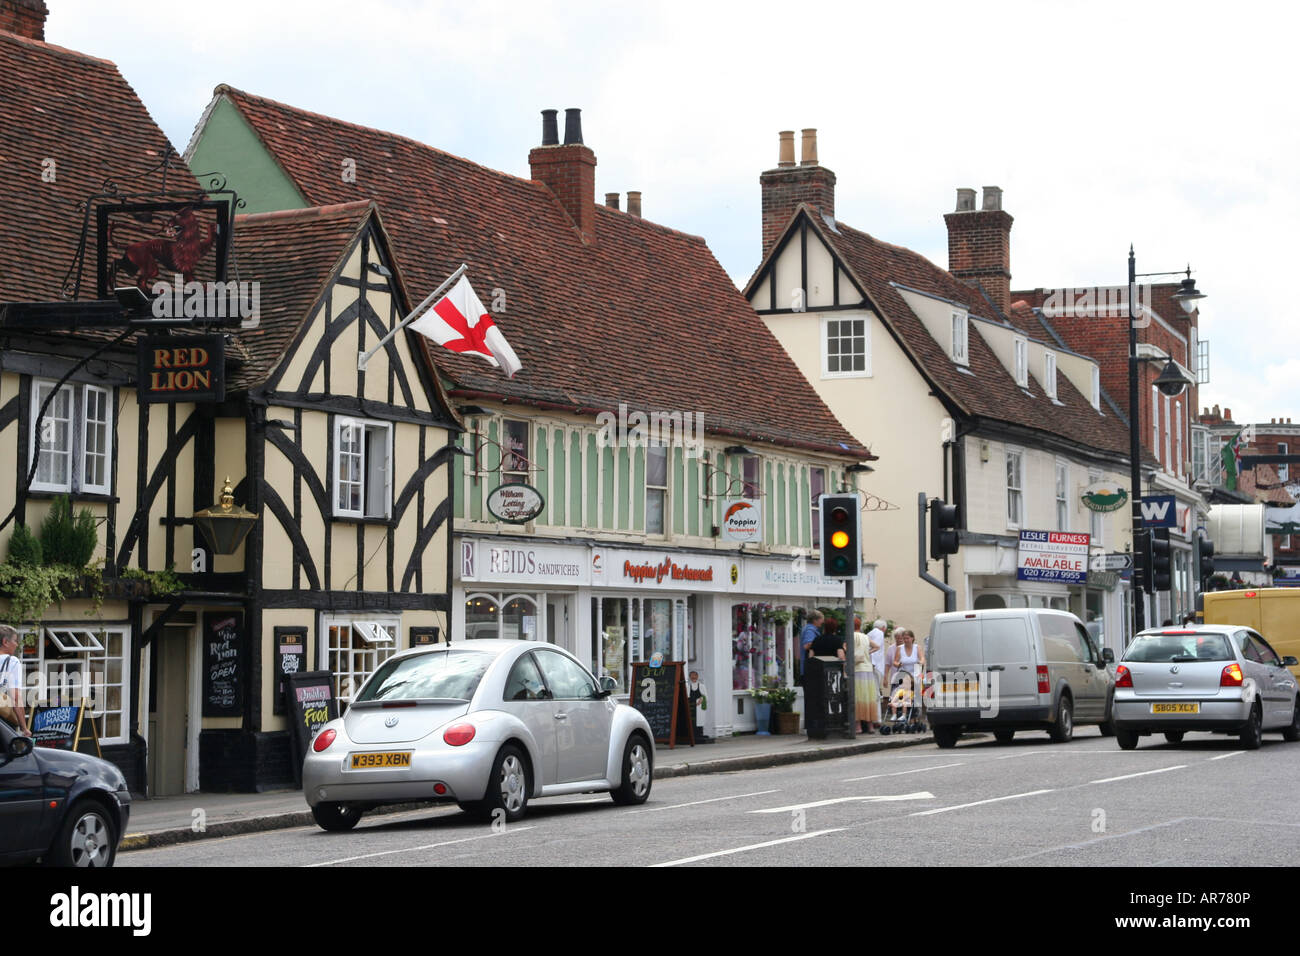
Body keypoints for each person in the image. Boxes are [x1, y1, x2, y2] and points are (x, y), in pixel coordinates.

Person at [853, 617, 882, 733]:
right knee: (868, 697)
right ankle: (870, 726)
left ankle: (858, 726)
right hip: (868, 669)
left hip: (857, 669)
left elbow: (845, 648)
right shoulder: (865, 637)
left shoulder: (851, 636)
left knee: (857, 698)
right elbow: (877, 646)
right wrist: (867, 653)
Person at [0, 626, 29, 736]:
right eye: (15, 640)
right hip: (3, 722)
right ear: (5, 642)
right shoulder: (12, 662)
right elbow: (15, 697)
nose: (17, 645)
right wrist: (24, 728)